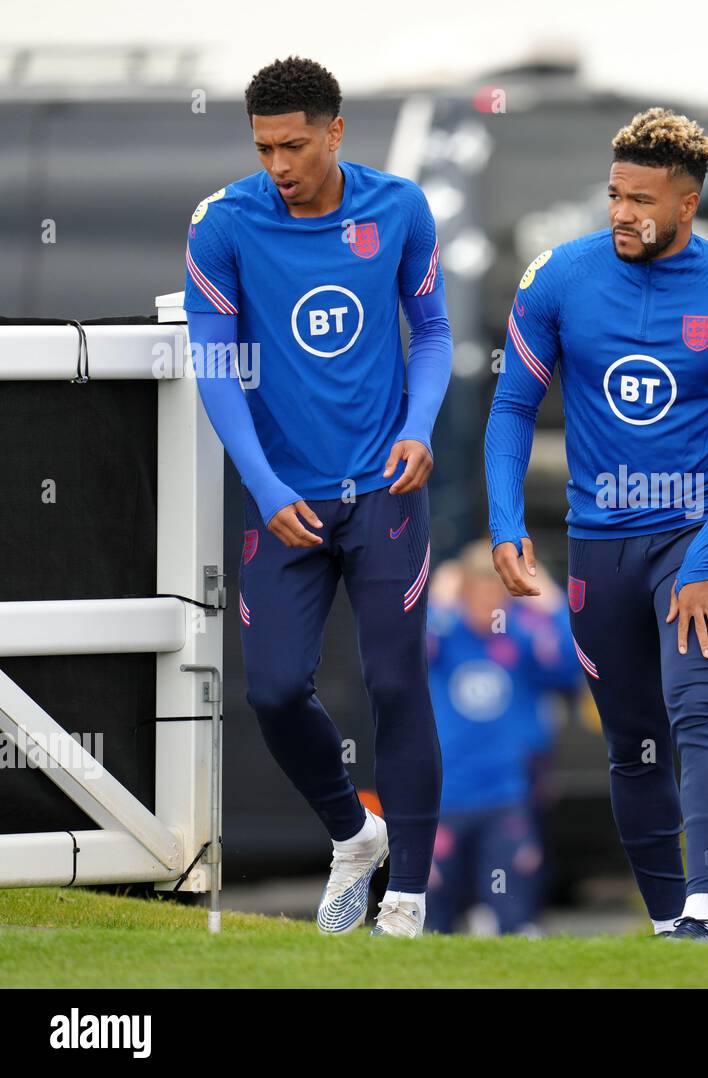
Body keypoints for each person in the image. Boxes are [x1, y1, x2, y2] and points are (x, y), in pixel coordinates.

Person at [484, 108, 708, 941]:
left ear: (687, 204)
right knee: (632, 743)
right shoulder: (559, 276)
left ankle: (704, 913)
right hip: (599, 547)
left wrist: (707, 557)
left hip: (704, 541)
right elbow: (513, 403)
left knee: (699, 715)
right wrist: (506, 521)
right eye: (615, 195)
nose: (623, 212)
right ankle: (665, 927)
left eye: (642, 200)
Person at [182, 56, 454, 939]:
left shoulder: (400, 207)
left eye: (294, 146)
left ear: (335, 132)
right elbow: (217, 364)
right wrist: (262, 485)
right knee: (271, 690)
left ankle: (408, 901)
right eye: (264, 148)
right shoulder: (223, 223)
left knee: (395, 683)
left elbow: (436, 331)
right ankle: (353, 834)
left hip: (386, 489)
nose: (279, 166)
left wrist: (418, 426)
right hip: (286, 500)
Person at [424, 541, 580, 935]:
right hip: (445, 799)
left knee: (514, 916)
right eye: (476, 590)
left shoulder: (523, 638)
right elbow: (399, 654)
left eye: (496, 591)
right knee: (430, 920)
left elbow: (569, 666)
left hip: (507, 797)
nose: (487, 603)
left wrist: (551, 600)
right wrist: (436, 600)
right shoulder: (442, 636)